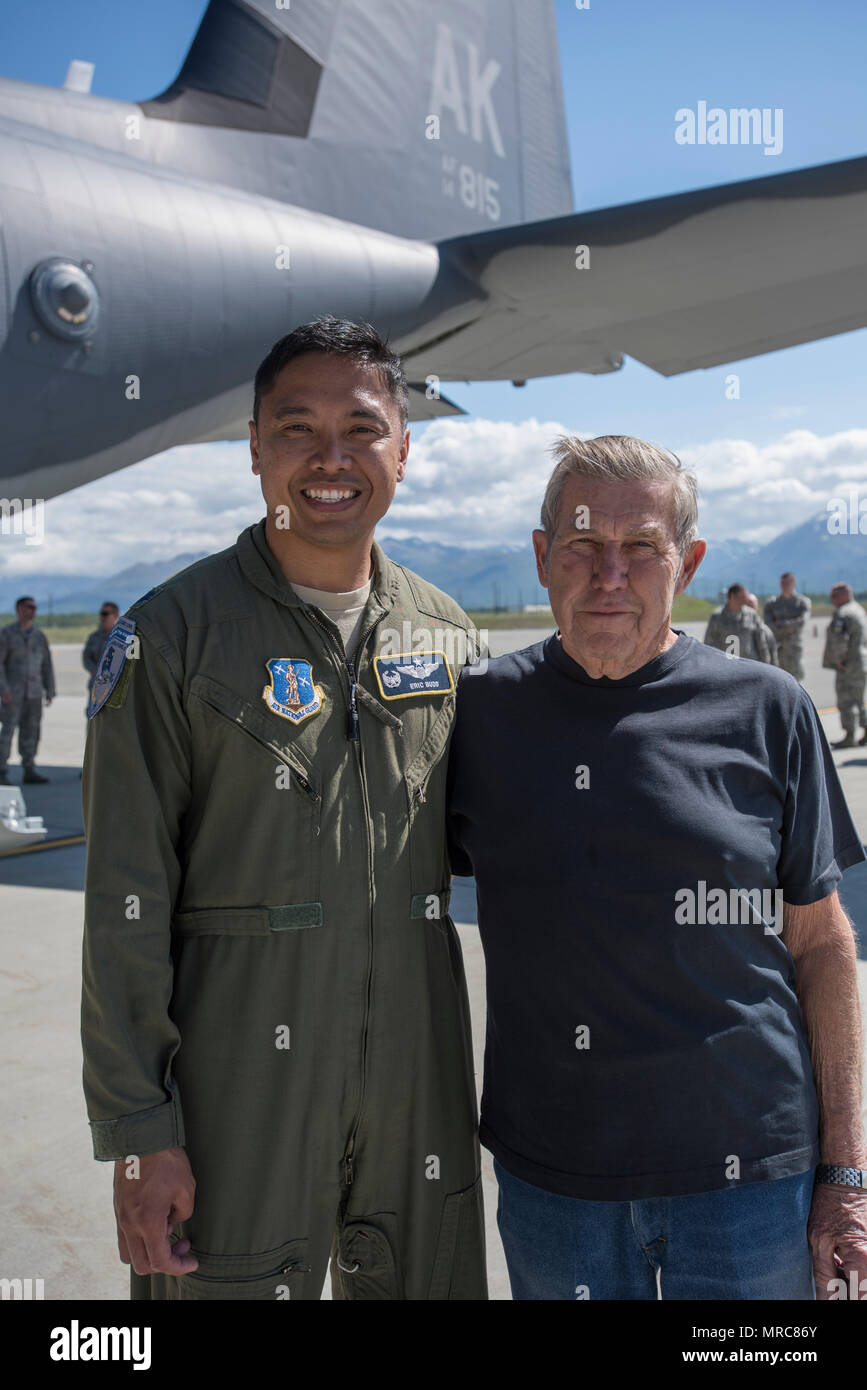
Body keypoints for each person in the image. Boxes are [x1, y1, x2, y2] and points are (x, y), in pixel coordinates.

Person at [81, 317, 487, 1302]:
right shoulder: (169, 640)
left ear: (404, 449)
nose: (330, 458)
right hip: (235, 1095)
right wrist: (141, 1135)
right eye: (297, 429)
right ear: (255, 449)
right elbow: (124, 901)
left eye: (361, 426)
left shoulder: (450, 636)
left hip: (417, 1086)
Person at [448, 435, 867, 1301]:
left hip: (751, 1182)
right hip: (555, 1185)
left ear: (688, 563)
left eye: (640, 548)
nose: (609, 574)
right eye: (581, 545)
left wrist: (847, 1173)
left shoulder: (767, 709)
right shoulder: (479, 714)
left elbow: (823, 946)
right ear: (540, 558)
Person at [0, 596, 55, 785]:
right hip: (12, 694)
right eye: (28, 607)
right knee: (7, 731)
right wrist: (3, 689)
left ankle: (29, 768)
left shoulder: (39, 636)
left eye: (34, 607)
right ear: (18, 609)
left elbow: (46, 665)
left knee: (31, 731)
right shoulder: (6, 634)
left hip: (34, 693)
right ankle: (1, 770)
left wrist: (50, 689)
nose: (32, 610)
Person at [822, 582, 867, 750]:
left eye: (834, 596)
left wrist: (839, 660)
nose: (832, 599)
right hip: (860, 662)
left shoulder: (843, 613)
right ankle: (865, 728)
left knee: (846, 701)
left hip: (848, 665)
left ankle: (850, 735)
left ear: (844, 595)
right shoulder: (858, 610)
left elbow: (839, 639)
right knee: (859, 699)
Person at [703, 583, 773, 663]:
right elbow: (708, 643)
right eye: (743, 597)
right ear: (732, 596)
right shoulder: (717, 617)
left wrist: (766, 664)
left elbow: (761, 642)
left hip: (750, 666)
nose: (746, 599)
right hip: (726, 666)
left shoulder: (752, 615)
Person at [764, 573, 811, 681]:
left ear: (794, 583)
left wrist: (780, 624)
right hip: (776, 650)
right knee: (777, 681)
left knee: (795, 683)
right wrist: (790, 627)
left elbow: (802, 622)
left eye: (788, 583)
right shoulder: (772, 603)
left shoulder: (802, 602)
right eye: (783, 583)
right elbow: (769, 625)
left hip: (794, 649)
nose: (785, 585)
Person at [82, 603, 119, 705]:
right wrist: (95, 671)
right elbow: (86, 658)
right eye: (101, 613)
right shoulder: (93, 637)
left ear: (115, 616)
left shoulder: (121, 638)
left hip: (115, 689)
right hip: (96, 687)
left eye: (105, 613)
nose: (102, 617)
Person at [745, 591, 778, 665]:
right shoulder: (736, 629)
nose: (750, 609)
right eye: (747, 606)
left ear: (756, 607)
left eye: (752, 606)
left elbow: (772, 653)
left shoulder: (765, 630)